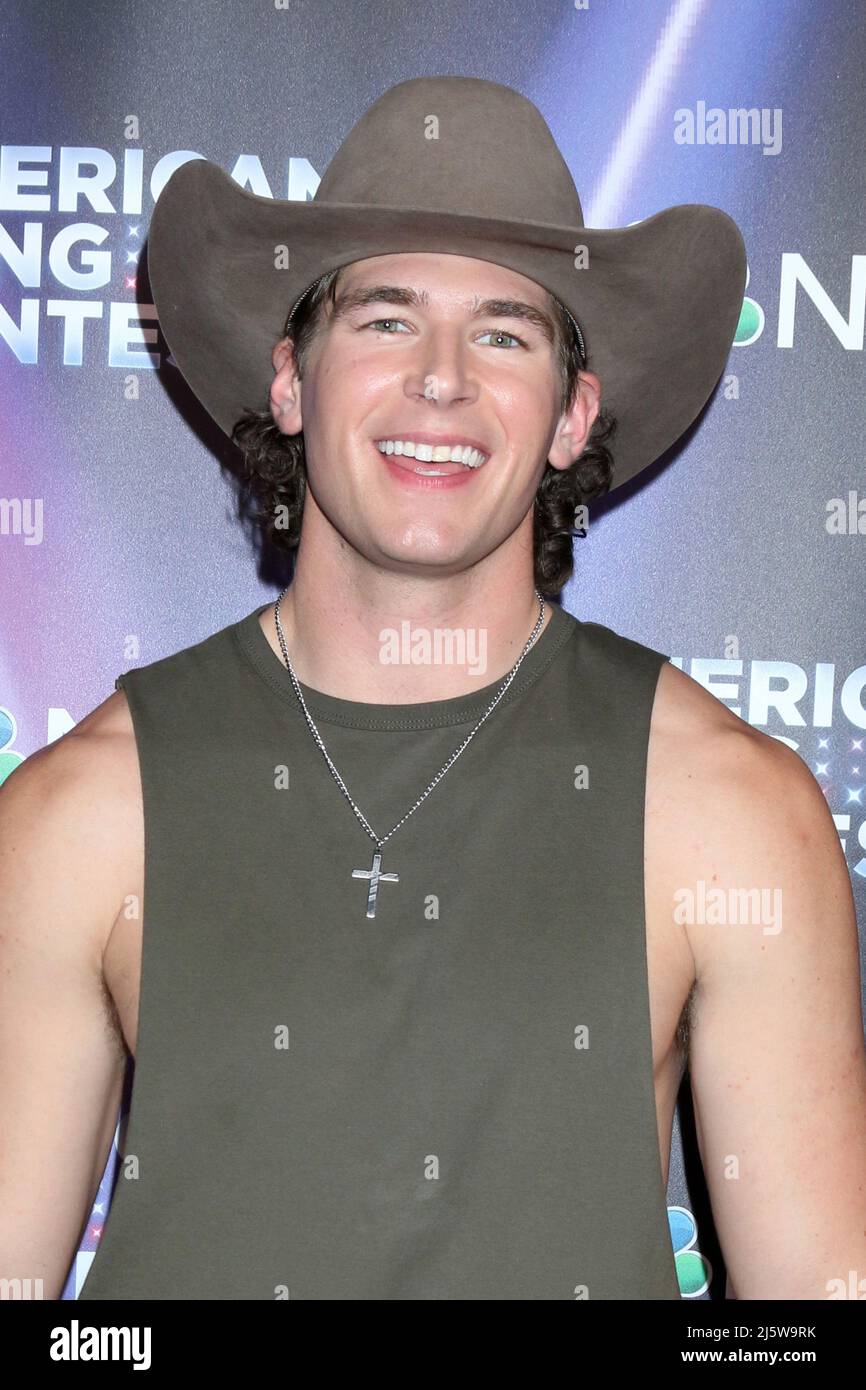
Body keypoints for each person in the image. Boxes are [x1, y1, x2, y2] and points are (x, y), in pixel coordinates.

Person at [2, 76, 865, 1302]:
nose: (442, 380)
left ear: (571, 414)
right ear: (291, 380)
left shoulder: (731, 814)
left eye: (504, 332)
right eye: (386, 321)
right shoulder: (79, 816)